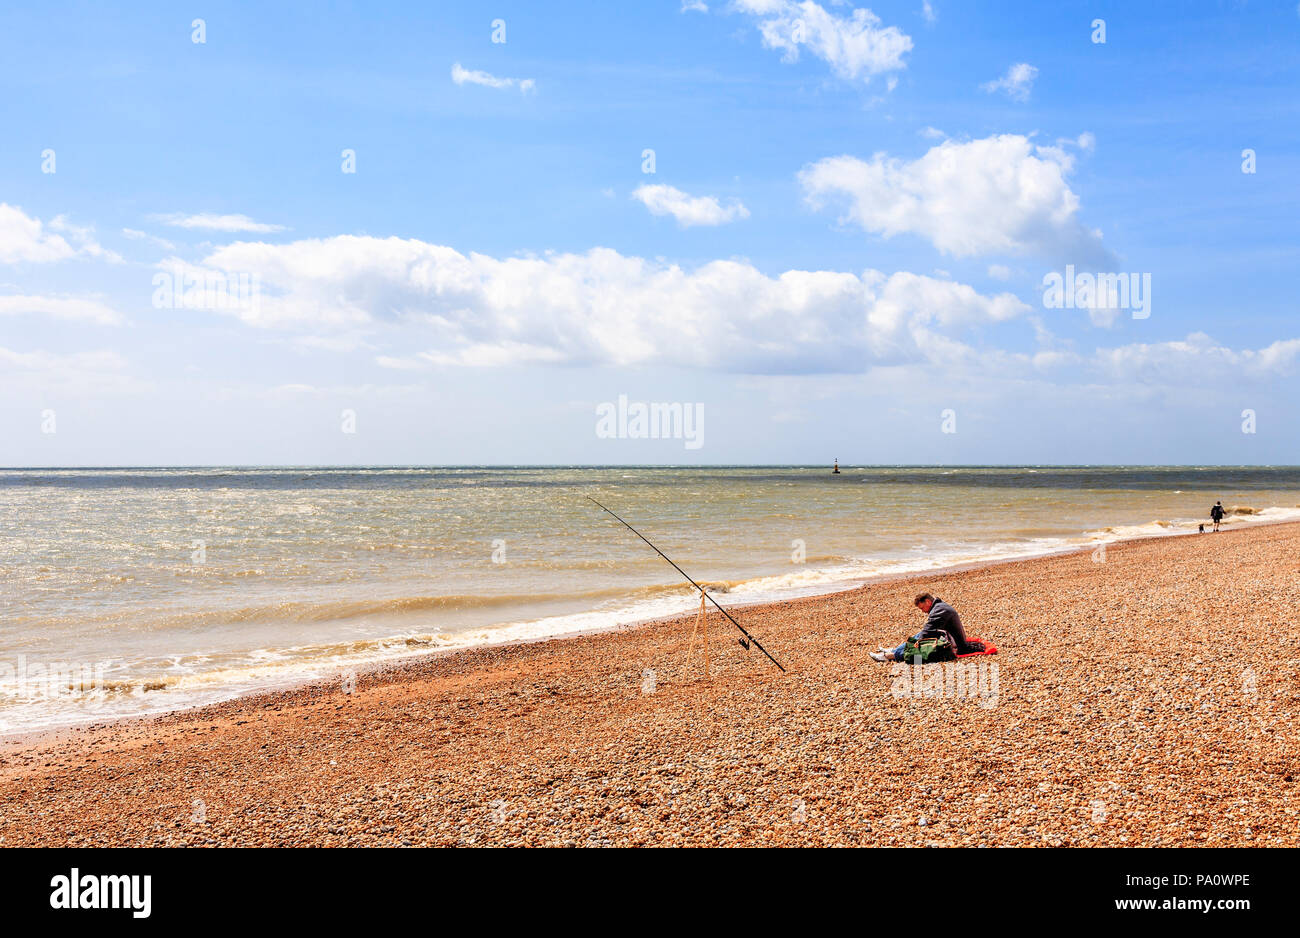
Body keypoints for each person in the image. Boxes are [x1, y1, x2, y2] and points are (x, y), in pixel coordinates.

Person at [869, 593, 971, 662]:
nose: (922, 611)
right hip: (950, 638)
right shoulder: (940, 606)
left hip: (954, 647)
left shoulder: (939, 611)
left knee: (918, 650)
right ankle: (895, 651)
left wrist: (915, 645)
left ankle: (890, 656)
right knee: (920, 636)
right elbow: (927, 630)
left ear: (927, 601)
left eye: (922, 608)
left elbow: (926, 633)